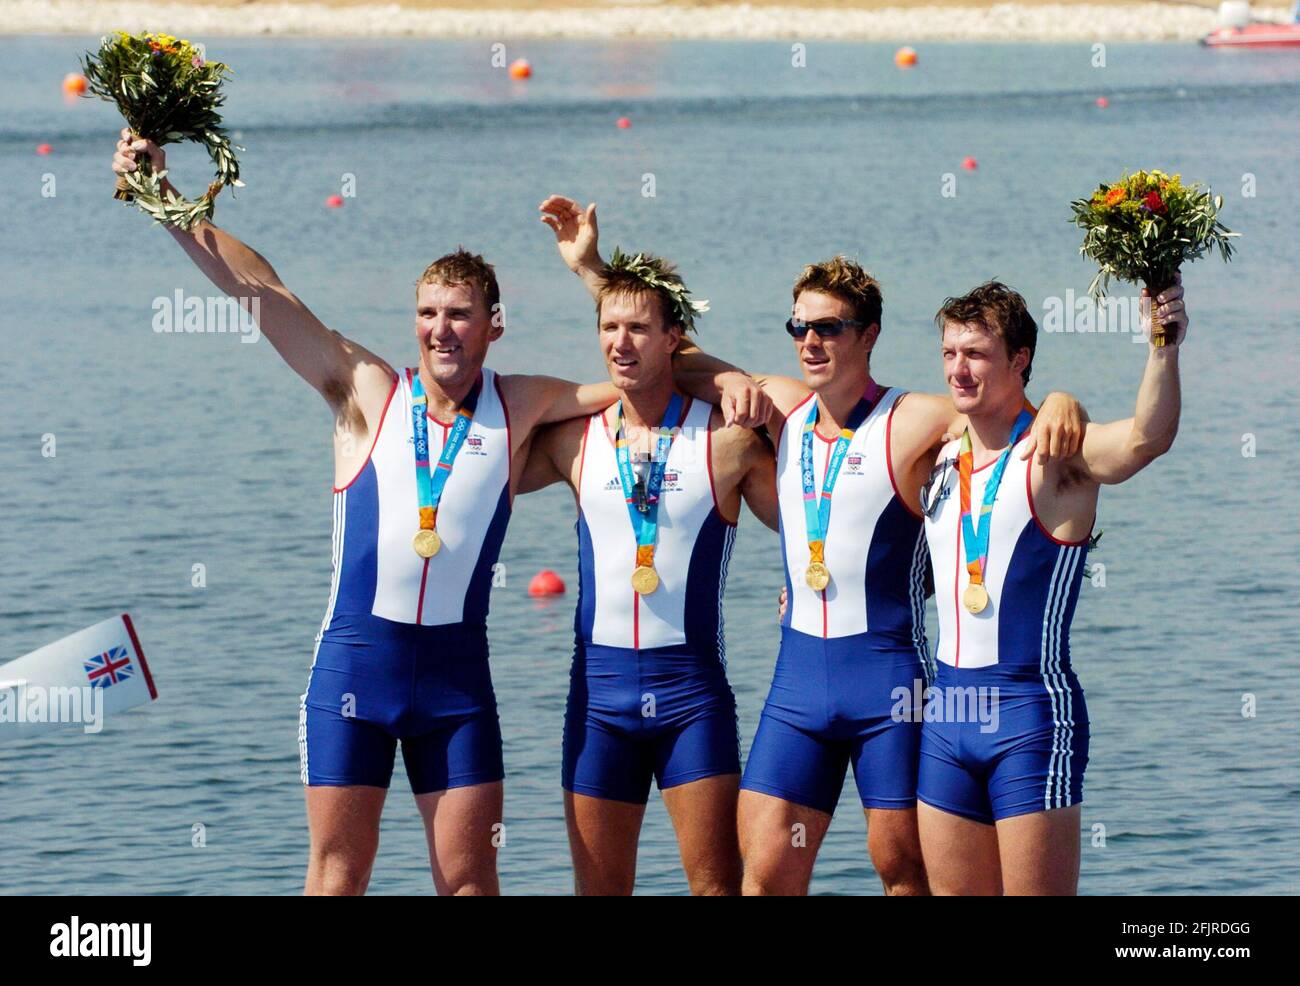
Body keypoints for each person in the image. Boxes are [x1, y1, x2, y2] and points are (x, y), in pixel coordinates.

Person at [111, 134, 766, 896]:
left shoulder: (527, 404)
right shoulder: (363, 391)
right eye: (427, 313)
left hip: (456, 689)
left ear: (495, 324)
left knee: (468, 882)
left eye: (459, 315)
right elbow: (265, 293)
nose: (440, 329)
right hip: (355, 673)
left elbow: (644, 355)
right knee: (337, 873)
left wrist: (732, 376)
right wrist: (167, 205)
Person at [539, 195, 1085, 895]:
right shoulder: (784, 406)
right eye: (799, 326)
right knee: (764, 875)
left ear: (869, 335)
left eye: (828, 328)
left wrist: (1064, 400)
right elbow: (657, 346)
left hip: (890, 686)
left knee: (903, 869)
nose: (810, 341)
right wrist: (591, 269)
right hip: (797, 688)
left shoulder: (916, 417)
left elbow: (1000, 405)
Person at [520, 246, 778, 895]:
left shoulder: (729, 441)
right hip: (597, 703)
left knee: (717, 888)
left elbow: (815, 528)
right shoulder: (571, 439)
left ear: (675, 340)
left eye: (638, 328)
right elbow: (472, 467)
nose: (620, 342)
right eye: (609, 327)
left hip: (692, 701)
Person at [916, 278, 1186, 895]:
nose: (958, 369)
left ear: (1020, 360)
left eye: (976, 354)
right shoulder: (938, 453)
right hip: (945, 715)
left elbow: (1148, 438)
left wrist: (1162, 347)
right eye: (950, 353)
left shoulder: (1057, 453)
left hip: (1030, 715)